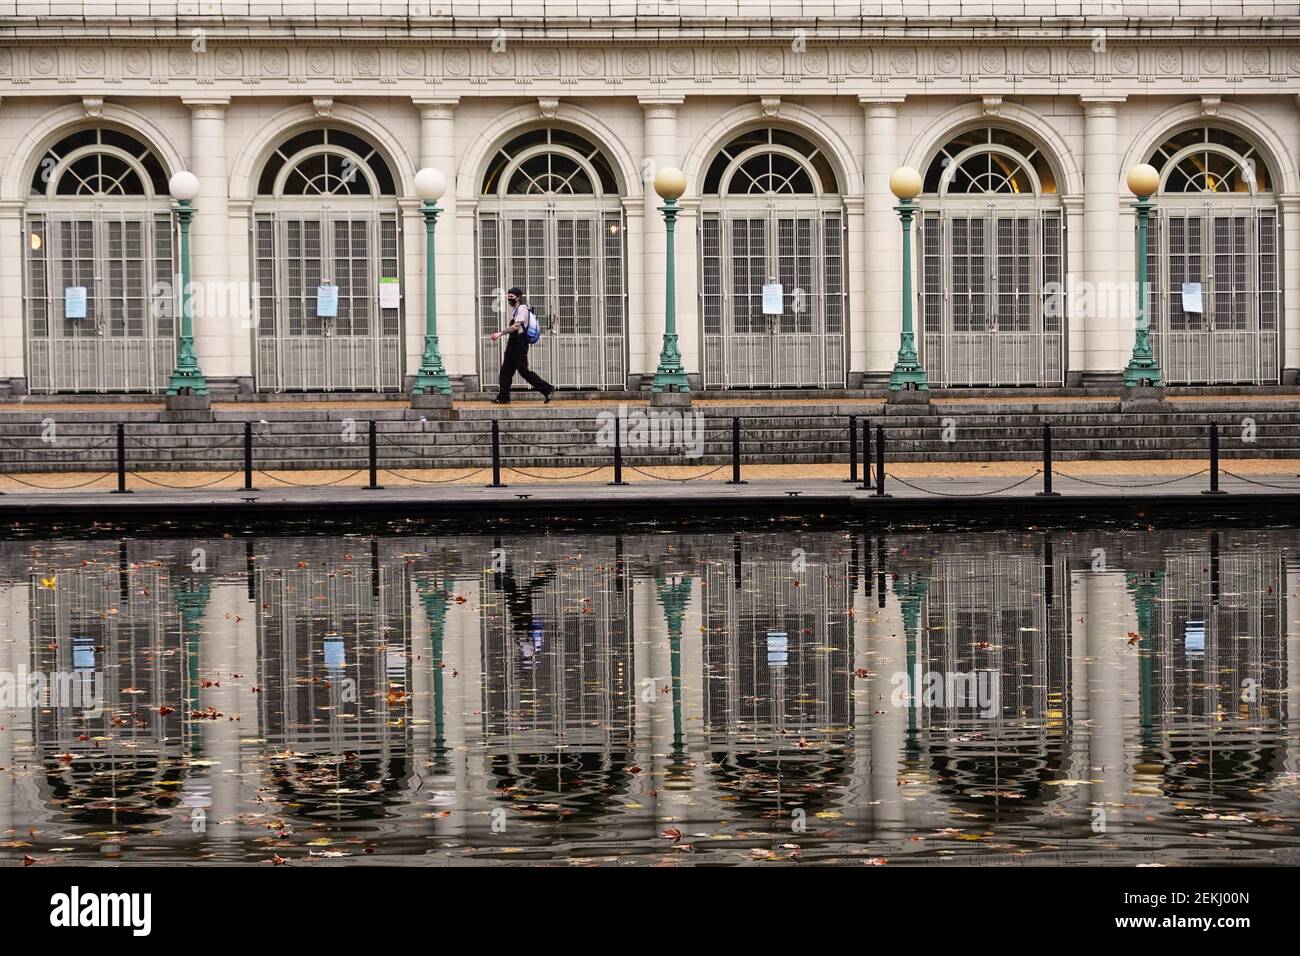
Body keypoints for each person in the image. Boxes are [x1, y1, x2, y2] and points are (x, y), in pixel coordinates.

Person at [491, 287, 554, 405]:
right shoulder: (517, 309)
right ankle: (503, 397)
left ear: (518, 297)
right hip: (514, 343)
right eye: (508, 297)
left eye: (511, 297)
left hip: (519, 344)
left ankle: (547, 388)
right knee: (506, 371)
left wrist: (500, 333)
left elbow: (515, 327)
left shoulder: (522, 309)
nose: (509, 299)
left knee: (524, 371)